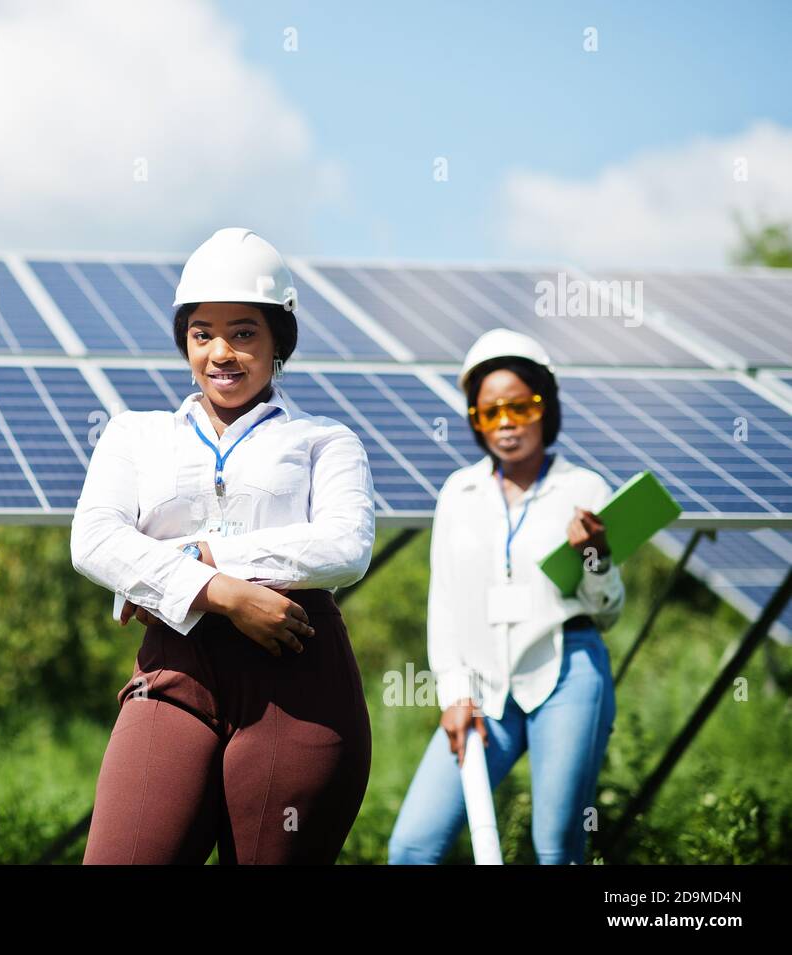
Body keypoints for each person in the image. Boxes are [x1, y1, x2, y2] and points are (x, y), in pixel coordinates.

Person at [71, 227, 376, 864]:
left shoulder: (326, 440)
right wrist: (225, 594)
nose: (221, 353)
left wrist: (203, 560)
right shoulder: (134, 435)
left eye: (243, 333)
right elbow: (94, 541)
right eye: (202, 333)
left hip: (297, 677)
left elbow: (346, 546)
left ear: (277, 341)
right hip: (176, 668)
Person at [387, 328, 624, 865]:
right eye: (489, 412)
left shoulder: (584, 489)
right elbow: (443, 603)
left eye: (520, 406)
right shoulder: (458, 493)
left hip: (567, 673)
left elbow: (608, 609)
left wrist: (597, 555)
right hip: (482, 690)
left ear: (546, 406)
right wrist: (453, 692)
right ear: (474, 419)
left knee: (557, 846)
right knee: (412, 845)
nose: (507, 422)